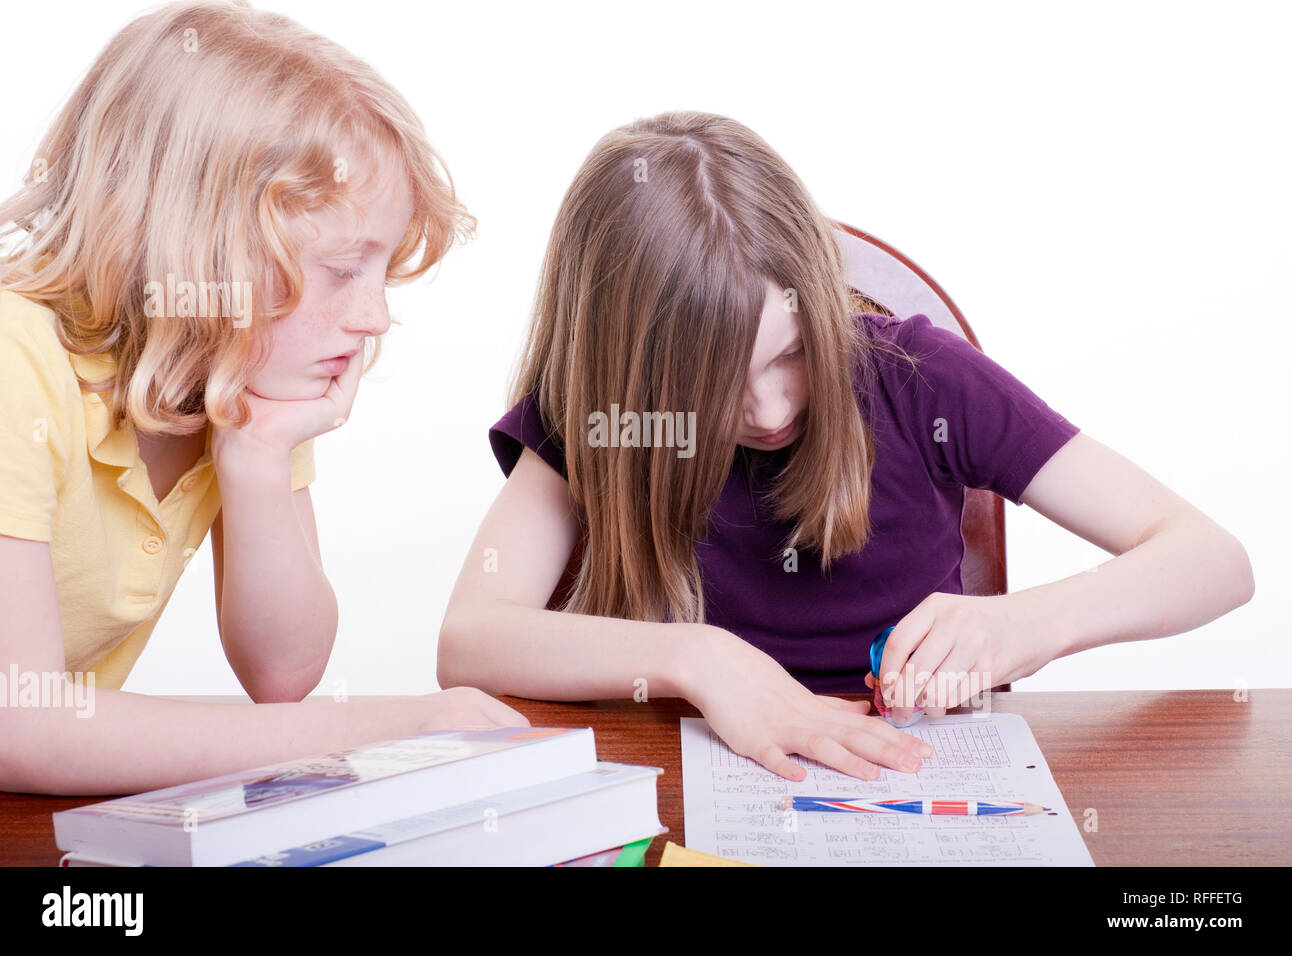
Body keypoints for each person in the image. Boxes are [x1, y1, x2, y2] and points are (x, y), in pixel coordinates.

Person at [437, 110, 1254, 782]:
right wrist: (697, 660)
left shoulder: (922, 380)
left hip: (921, 777)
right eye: (713, 385)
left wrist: (1032, 621)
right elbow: (468, 642)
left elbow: (1214, 561)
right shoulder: (592, 417)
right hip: (703, 788)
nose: (768, 407)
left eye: (791, 354)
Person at [0, 0, 526, 797]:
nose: (376, 316)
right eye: (345, 270)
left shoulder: (241, 370)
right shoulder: (12, 357)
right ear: (198, 245)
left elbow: (284, 672)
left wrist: (257, 454)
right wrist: (395, 725)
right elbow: (17, 728)